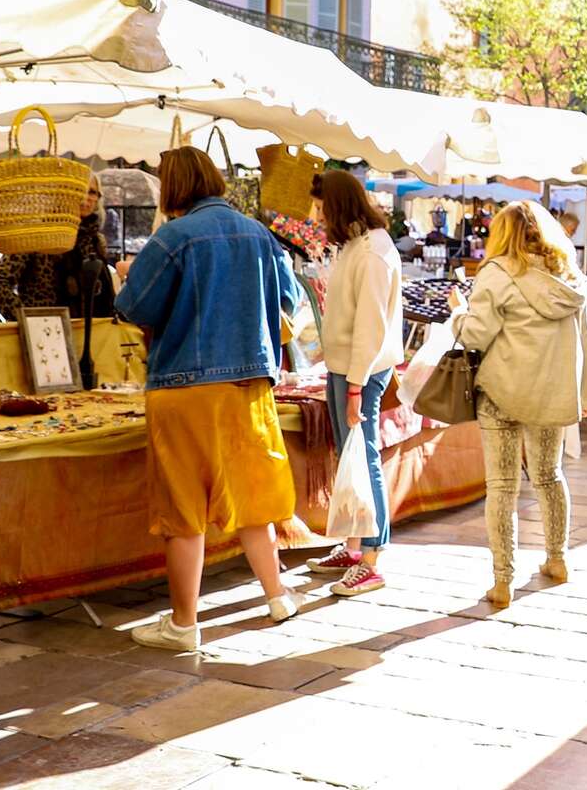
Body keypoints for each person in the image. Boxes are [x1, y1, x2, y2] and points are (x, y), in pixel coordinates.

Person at [115, 147, 304, 651]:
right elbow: (290, 301)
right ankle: (278, 596)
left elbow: (133, 306)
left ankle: (183, 625)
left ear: (174, 186)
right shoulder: (258, 234)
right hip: (249, 387)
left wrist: (123, 276)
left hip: (185, 387)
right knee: (252, 497)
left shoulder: (172, 238)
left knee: (184, 509)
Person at [446, 200, 587, 608]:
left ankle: (503, 582)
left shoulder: (496, 274)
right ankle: (557, 559)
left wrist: (458, 314)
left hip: (501, 392)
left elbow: (475, 337)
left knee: (502, 486)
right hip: (549, 393)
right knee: (549, 476)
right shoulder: (570, 278)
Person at [306, 170, 404, 597]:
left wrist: (354, 386)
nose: (316, 214)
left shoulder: (372, 252)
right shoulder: (356, 247)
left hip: (359, 370)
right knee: (350, 456)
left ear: (337, 205)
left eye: (320, 206)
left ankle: (371, 556)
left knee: (363, 459)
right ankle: (353, 546)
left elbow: (371, 326)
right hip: (346, 366)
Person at [0, 179, 111, 317]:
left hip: (94, 329)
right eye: (80, 190)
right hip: (49, 331)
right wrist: (29, 319)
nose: (86, 197)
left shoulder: (96, 240)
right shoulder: (39, 233)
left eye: (92, 192)